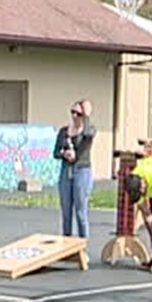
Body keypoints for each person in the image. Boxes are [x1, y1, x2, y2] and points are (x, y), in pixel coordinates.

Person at [54, 99, 96, 238]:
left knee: (80, 211)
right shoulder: (64, 132)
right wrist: (64, 153)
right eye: (72, 112)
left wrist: (87, 116)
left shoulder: (87, 131)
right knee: (66, 211)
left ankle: (82, 245)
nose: (74, 116)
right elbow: (55, 152)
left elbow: (89, 134)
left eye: (78, 113)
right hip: (66, 171)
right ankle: (67, 244)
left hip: (82, 171)